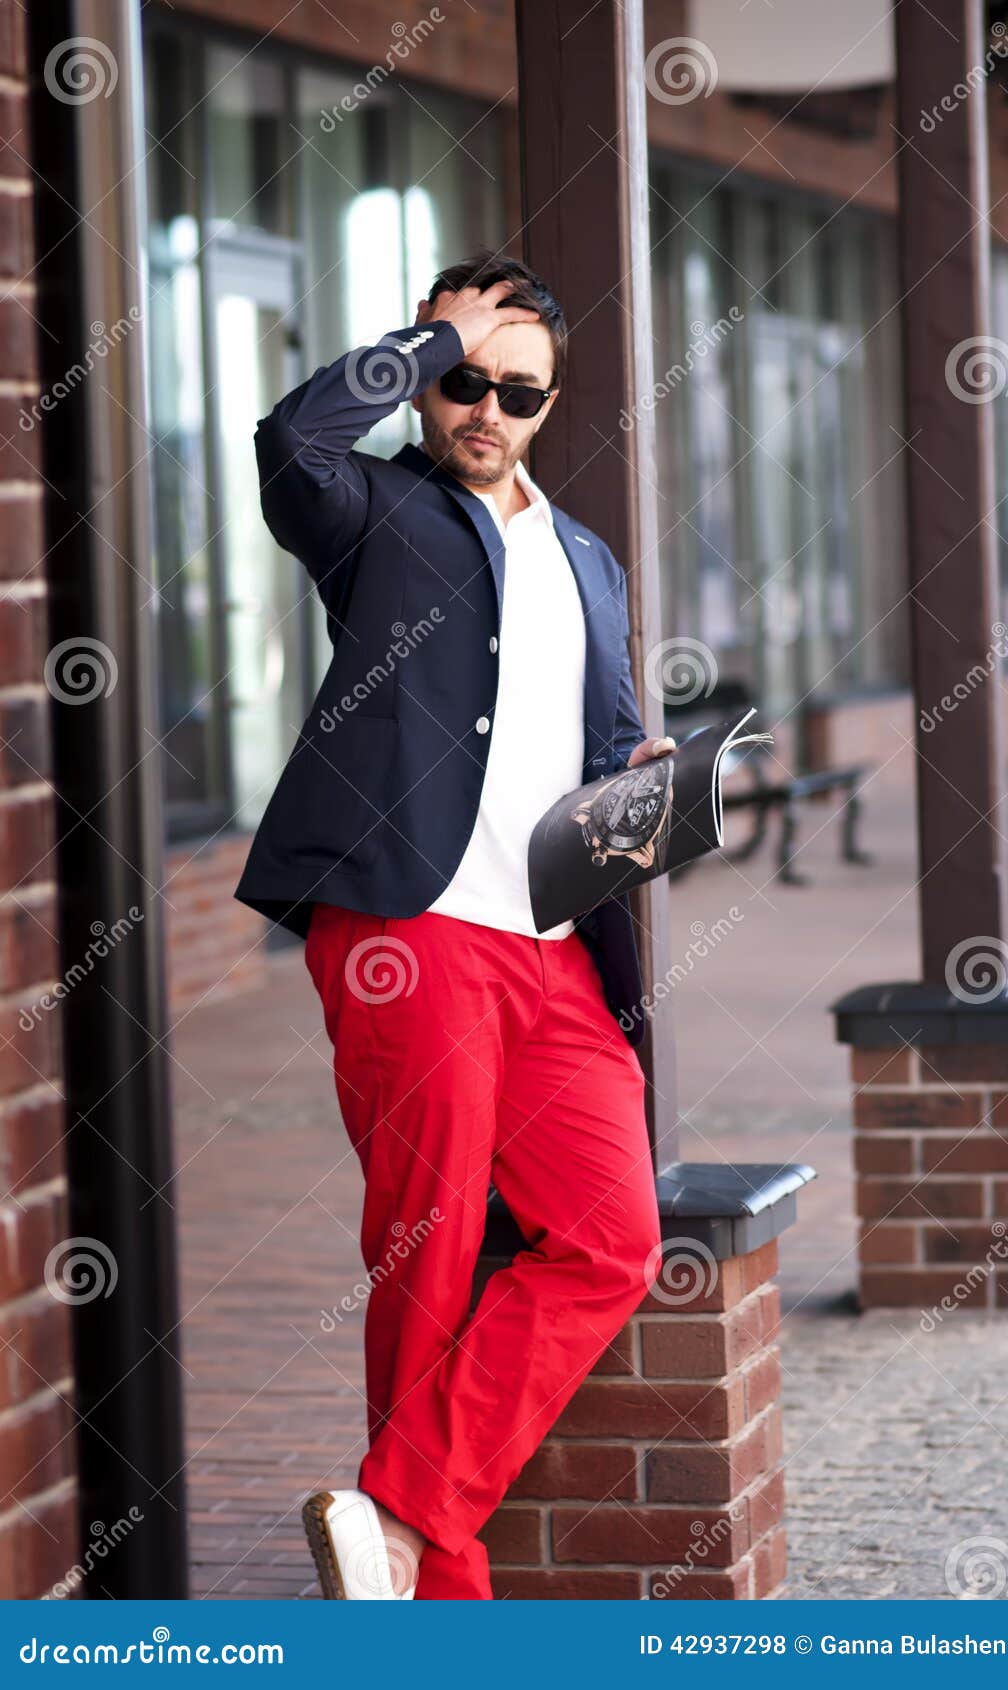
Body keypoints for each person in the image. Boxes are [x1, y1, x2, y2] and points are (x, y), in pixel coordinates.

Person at [235, 252, 673, 1601]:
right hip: (406, 932)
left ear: (555, 396)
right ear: (427, 384)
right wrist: (425, 343)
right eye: (461, 379)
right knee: (423, 1252)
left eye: (514, 384)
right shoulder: (372, 510)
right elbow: (288, 435)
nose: (486, 403)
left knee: (613, 1237)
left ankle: (402, 1521)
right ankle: (439, 1606)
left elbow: (593, 747)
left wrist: (644, 783)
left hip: (550, 956)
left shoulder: (589, 558)